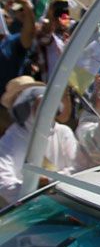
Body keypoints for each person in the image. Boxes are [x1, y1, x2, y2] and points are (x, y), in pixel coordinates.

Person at [0, 77, 78, 206]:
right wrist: (32, 188)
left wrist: (48, 180)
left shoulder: (63, 132)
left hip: (66, 203)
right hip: (28, 209)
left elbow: (78, 168)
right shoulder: (10, 139)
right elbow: (4, 182)